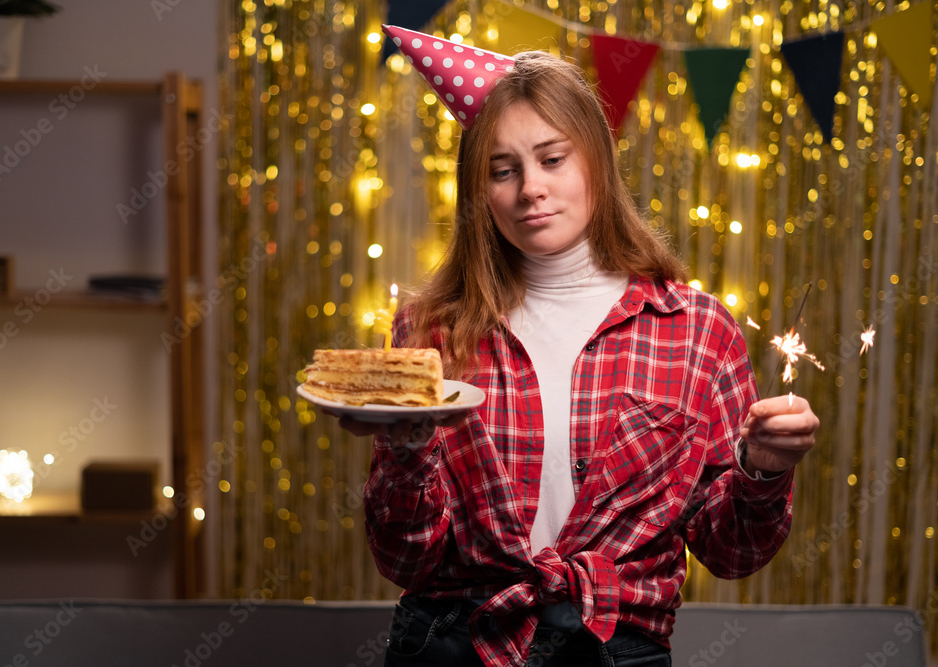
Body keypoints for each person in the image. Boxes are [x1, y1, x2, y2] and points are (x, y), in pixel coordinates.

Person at [335, 26, 820, 667]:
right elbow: (404, 559)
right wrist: (404, 449)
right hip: (453, 642)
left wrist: (763, 469)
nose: (529, 188)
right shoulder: (430, 329)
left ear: (595, 160)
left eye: (552, 159)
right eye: (502, 170)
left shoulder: (698, 330)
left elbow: (732, 554)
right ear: (480, 190)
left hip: (615, 649)